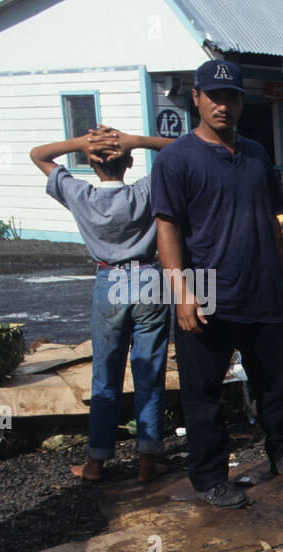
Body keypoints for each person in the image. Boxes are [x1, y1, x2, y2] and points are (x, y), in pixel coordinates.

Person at [151, 59, 283, 509]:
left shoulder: (256, 155)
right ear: (195, 97)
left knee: (277, 384)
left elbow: (274, 222)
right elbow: (168, 229)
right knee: (203, 396)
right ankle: (209, 478)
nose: (223, 105)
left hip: (261, 288)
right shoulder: (176, 158)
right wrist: (180, 293)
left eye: (232, 96)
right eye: (214, 96)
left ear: (241, 101)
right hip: (206, 294)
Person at [31, 125, 174, 484]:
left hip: (108, 280)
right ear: (128, 162)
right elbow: (182, 149)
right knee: (149, 375)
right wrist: (135, 140)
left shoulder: (81, 194)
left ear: (93, 165)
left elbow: (38, 154)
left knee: (105, 376)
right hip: (148, 278)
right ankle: (147, 461)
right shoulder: (145, 189)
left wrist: (84, 144)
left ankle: (96, 463)